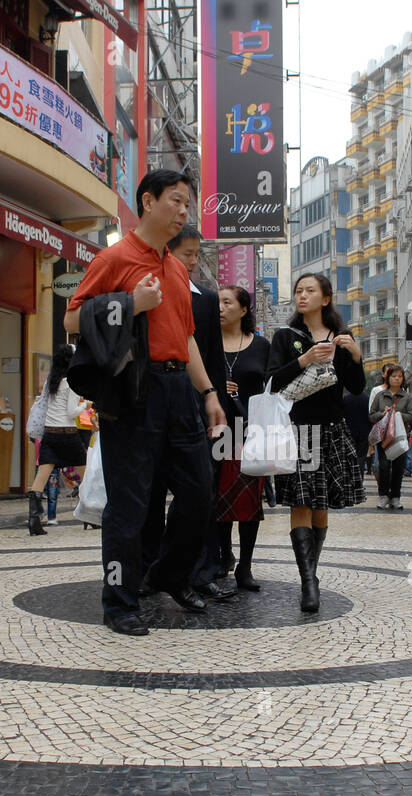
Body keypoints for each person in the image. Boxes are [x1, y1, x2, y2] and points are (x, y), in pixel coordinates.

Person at [63, 169, 226, 637]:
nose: (183, 211)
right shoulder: (115, 257)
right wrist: (130, 304)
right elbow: (72, 319)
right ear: (147, 201)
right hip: (134, 389)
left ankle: (166, 575)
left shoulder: (176, 267)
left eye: (188, 204)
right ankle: (119, 600)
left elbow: (188, 337)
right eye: (175, 201)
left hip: (179, 392)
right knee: (130, 505)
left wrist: (209, 393)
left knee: (199, 494)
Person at [267, 273, 366, 612]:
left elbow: (354, 388)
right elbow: (273, 381)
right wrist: (305, 360)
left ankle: (312, 572)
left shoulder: (341, 337)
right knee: (301, 502)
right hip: (299, 430)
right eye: (298, 290)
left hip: (332, 430)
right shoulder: (285, 336)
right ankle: (308, 583)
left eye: (310, 291)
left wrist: (355, 355)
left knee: (321, 505)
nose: (302, 296)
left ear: (326, 299)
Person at [158, 225, 235, 602]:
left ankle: (201, 571)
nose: (193, 261)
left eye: (196, 253)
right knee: (152, 493)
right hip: (158, 405)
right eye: (187, 253)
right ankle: (151, 570)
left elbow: (211, 357)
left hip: (197, 408)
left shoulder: (204, 299)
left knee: (201, 491)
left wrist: (214, 401)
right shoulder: (151, 288)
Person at [214, 286, 271, 590]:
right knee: (219, 498)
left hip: (250, 432)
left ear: (244, 309)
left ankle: (245, 567)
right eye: (217, 302)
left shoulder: (261, 345)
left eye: (227, 302)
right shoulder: (207, 344)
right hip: (215, 430)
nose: (220, 307)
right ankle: (224, 555)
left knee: (250, 502)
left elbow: (273, 384)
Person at [27, 344, 86, 534]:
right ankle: (90, 516)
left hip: (49, 435)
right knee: (86, 475)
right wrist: (86, 405)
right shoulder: (72, 383)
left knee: (41, 477)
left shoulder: (50, 382)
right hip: (68, 435)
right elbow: (71, 413)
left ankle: (34, 519)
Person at [368, 364, 412, 509]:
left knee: (398, 467)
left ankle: (395, 497)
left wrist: (398, 414)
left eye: (399, 376)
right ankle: (383, 496)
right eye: (394, 376)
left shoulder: (407, 397)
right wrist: (382, 414)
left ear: (403, 379)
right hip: (384, 437)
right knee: (383, 466)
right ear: (388, 378)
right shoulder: (380, 395)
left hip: (400, 437)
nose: (396, 379)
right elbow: (371, 415)